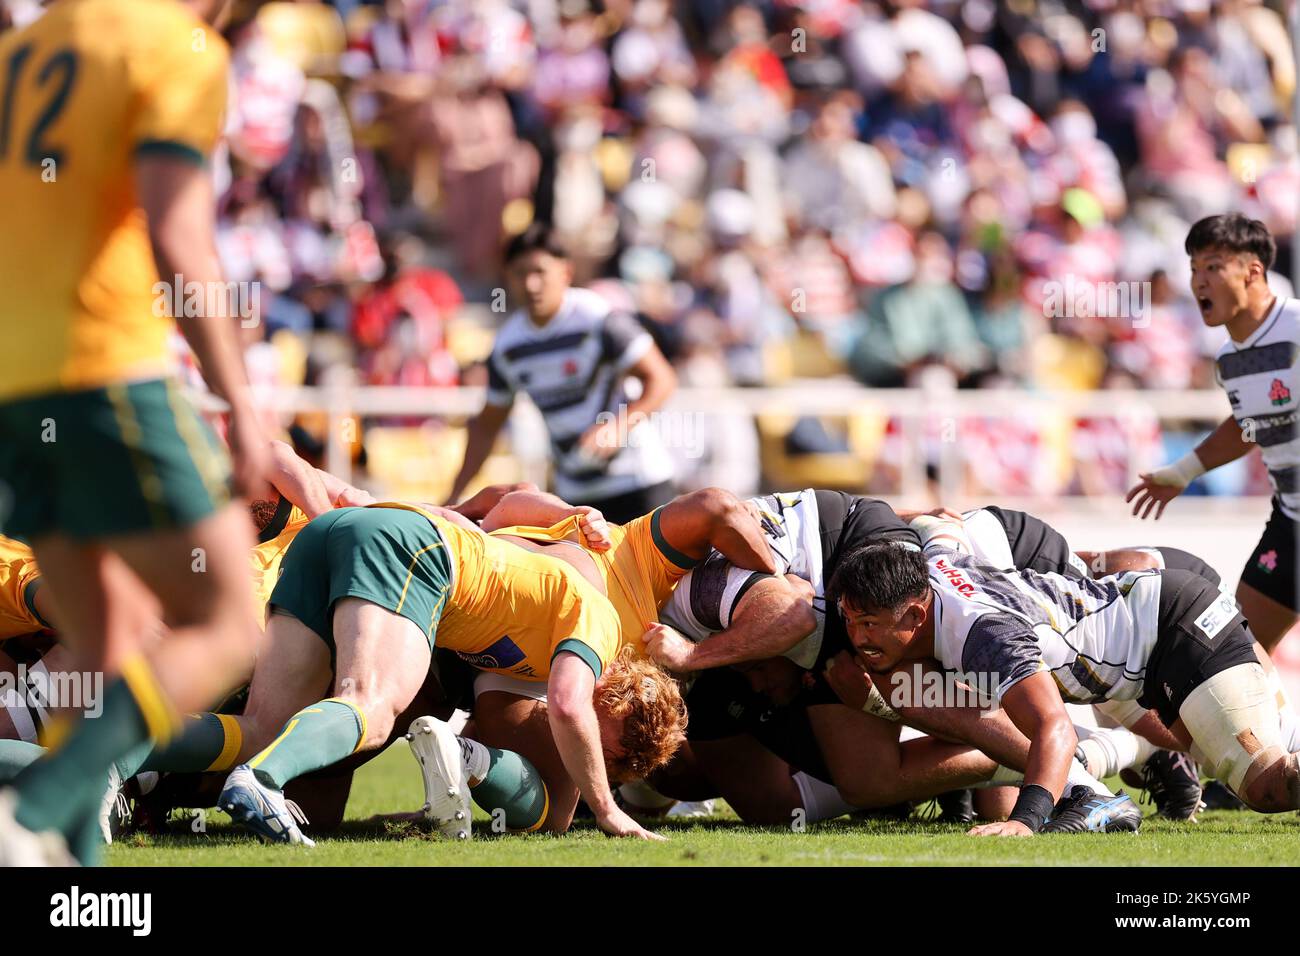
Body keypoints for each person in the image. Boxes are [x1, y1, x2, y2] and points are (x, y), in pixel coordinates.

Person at [0, 0, 269, 866]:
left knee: (102, 648)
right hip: (103, 369)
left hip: (14, 380)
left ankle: (71, 881)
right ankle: (31, 811)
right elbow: (179, 235)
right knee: (230, 621)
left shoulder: (23, 48)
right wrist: (242, 405)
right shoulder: (179, 44)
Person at [1128, 213, 1300, 653]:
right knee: (1235, 654)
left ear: (1253, 271)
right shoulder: (1228, 359)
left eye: (1213, 266)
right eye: (1193, 269)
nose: (1199, 281)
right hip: (1290, 521)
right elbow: (1249, 426)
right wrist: (1184, 470)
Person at [448, 224, 678, 524]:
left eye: (540, 272)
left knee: (659, 573)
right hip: (576, 497)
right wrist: (454, 498)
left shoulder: (596, 318)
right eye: (519, 273)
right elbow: (487, 426)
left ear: (565, 273)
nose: (531, 284)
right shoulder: (507, 346)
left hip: (639, 482)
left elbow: (662, 379)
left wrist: (619, 427)